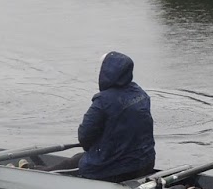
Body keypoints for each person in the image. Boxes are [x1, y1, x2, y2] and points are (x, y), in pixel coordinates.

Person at [66, 51, 156, 182]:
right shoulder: (140, 93)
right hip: (145, 164)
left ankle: (34, 172)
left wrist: (93, 147)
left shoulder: (103, 101)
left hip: (115, 170)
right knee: (78, 158)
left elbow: (84, 137)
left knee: (80, 162)